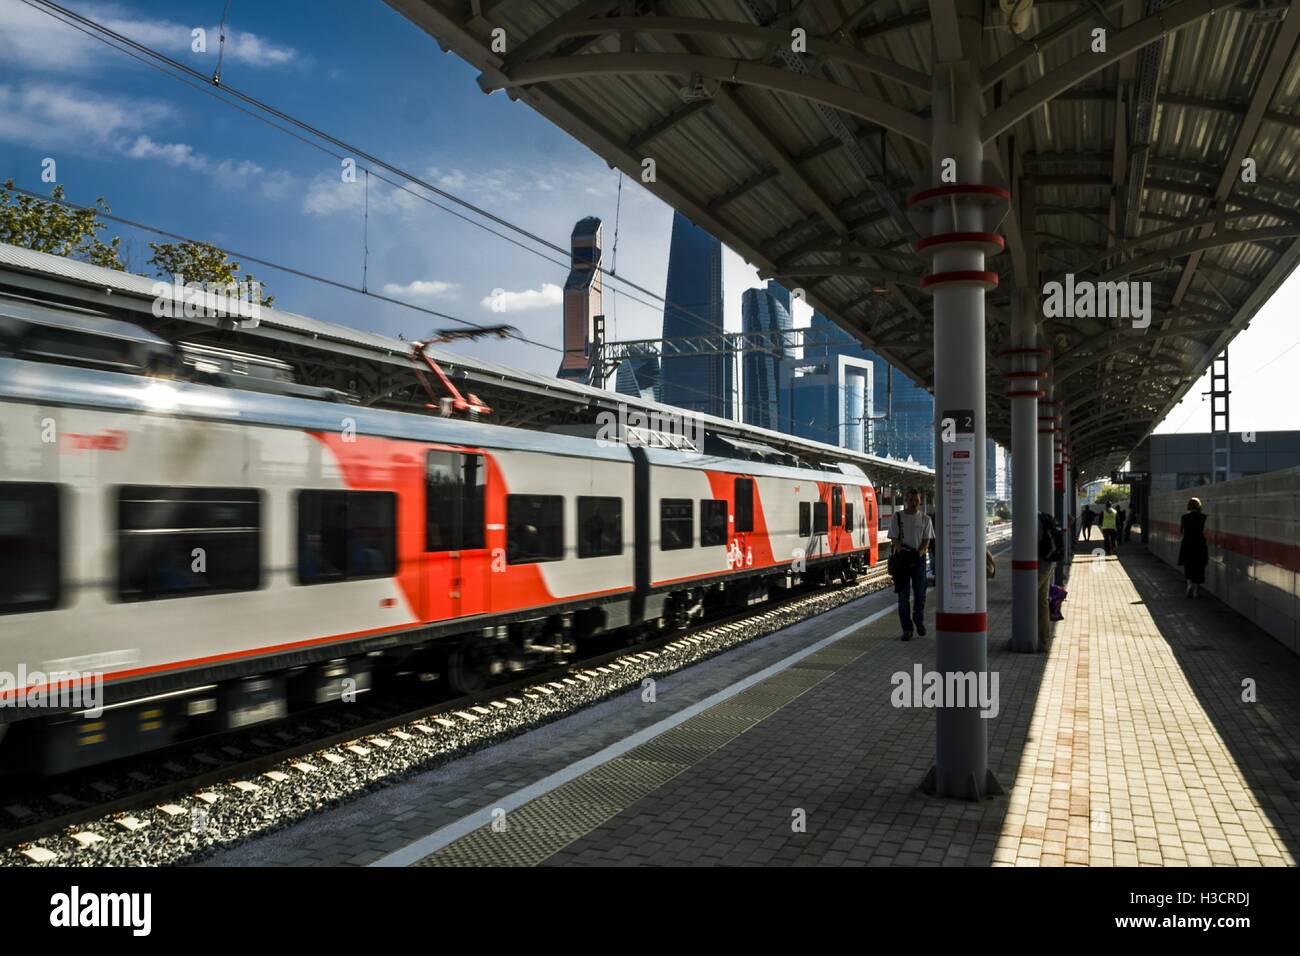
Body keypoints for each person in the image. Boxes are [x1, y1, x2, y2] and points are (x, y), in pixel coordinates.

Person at [888, 488, 933, 641]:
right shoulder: (897, 516)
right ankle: (907, 629)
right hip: (902, 560)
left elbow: (926, 541)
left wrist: (917, 554)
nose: (913, 503)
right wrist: (903, 552)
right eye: (910, 500)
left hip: (919, 559)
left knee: (920, 593)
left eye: (916, 500)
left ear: (920, 501)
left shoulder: (926, 519)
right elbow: (894, 538)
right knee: (903, 596)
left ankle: (918, 620)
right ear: (905, 500)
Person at [1037, 511, 1063, 645]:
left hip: (1041, 564)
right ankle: (1043, 638)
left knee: (1028, 597)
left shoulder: (1033, 520)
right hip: (1049, 561)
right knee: (1042, 599)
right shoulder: (1043, 517)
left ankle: (1031, 636)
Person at [1178, 497, 1209, 597]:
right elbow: (1205, 531)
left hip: (1187, 544)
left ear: (1189, 506)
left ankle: (1189, 583)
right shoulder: (1203, 517)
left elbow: (1181, 531)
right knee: (1199, 567)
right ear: (1199, 506)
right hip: (1199, 545)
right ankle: (1196, 591)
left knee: (1188, 566)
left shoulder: (1184, 517)